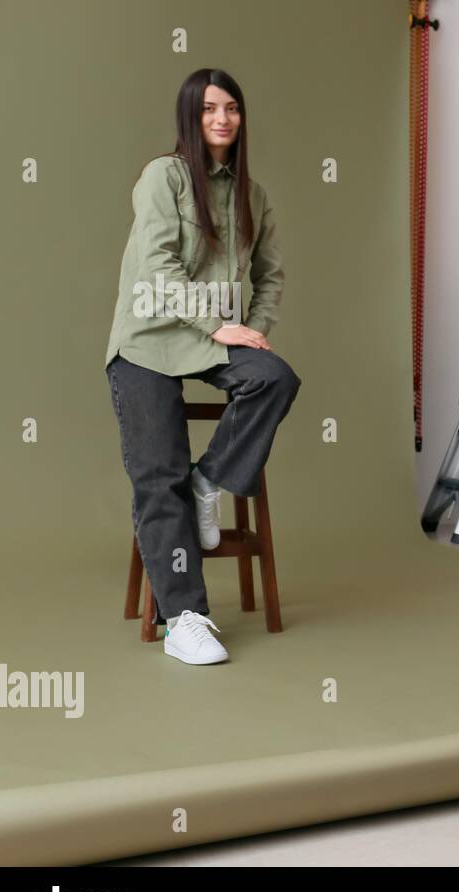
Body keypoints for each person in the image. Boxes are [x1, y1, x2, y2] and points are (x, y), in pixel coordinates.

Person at [104, 68, 300, 666]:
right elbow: (158, 267)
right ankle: (184, 618)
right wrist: (217, 324)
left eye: (232, 108)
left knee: (274, 378)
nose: (222, 118)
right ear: (191, 116)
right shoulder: (162, 178)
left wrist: (253, 331)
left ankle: (209, 479)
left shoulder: (253, 194)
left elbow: (270, 275)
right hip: (146, 338)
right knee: (157, 474)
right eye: (210, 108)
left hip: (210, 341)